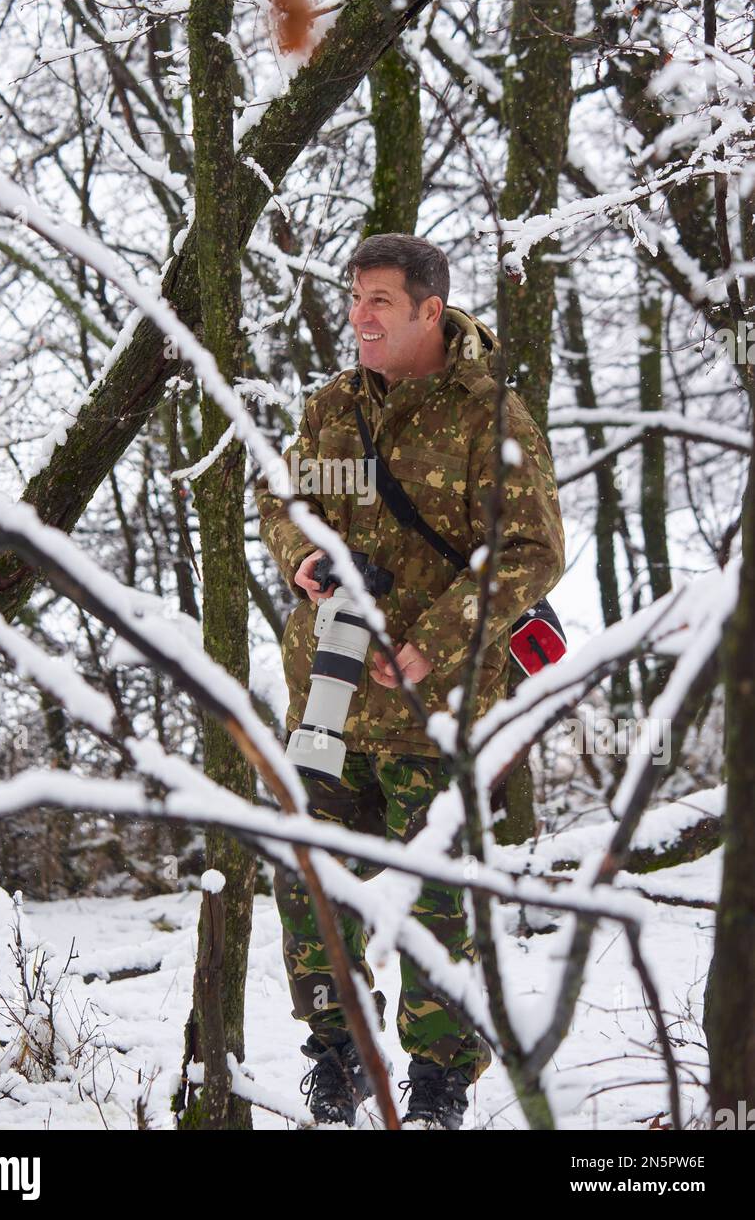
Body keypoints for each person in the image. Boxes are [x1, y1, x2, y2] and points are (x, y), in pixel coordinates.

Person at [254, 233, 566, 1128]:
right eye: (354, 297)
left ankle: (437, 1083)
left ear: (430, 310)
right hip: (327, 690)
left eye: (380, 301)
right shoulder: (333, 407)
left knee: (437, 897)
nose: (359, 316)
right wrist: (302, 554)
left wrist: (435, 638)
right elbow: (285, 499)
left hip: (436, 706)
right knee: (309, 880)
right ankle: (337, 1056)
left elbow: (532, 551)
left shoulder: (490, 418)